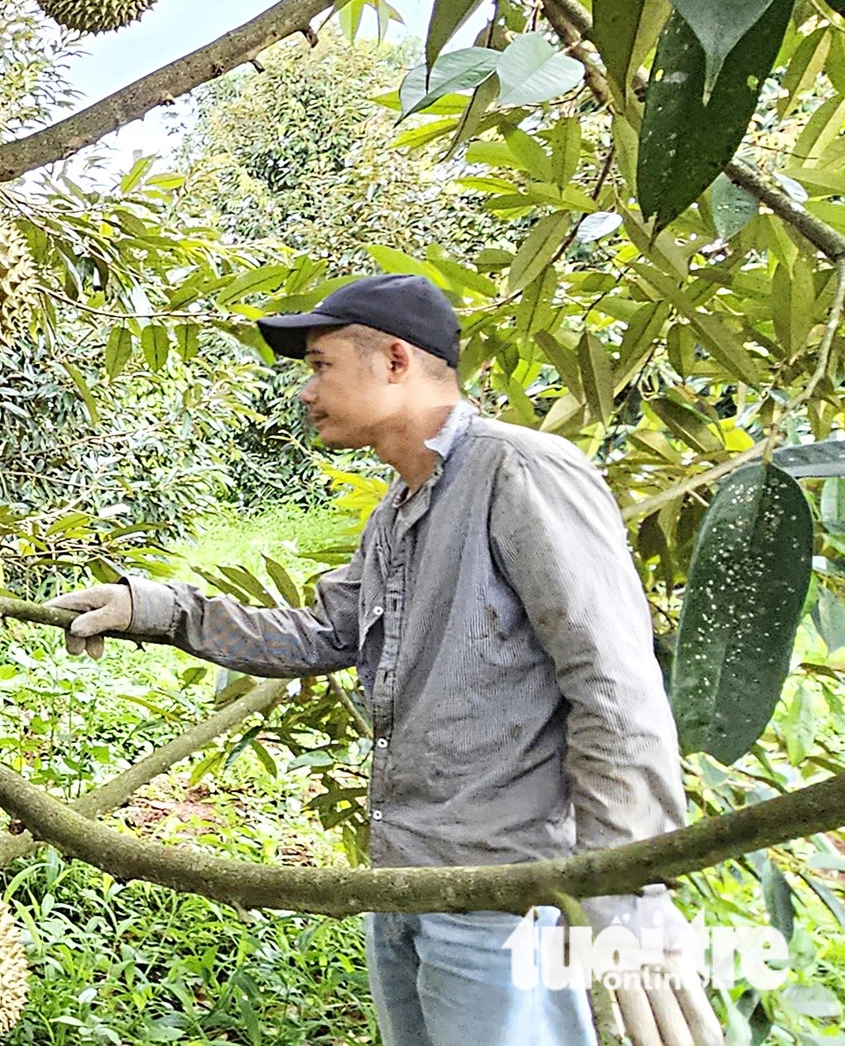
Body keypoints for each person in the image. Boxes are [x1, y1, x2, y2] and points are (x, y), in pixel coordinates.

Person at [46, 274, 720, 1046]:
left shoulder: (519, 472)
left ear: (396, 361)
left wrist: (625, 883)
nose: (307, 391)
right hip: (405, 880)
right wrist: (154, 608)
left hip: (506, 898)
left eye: (321, 365)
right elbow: (319, 633)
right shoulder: (397, 512)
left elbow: (613, 681)